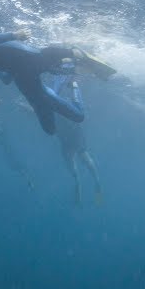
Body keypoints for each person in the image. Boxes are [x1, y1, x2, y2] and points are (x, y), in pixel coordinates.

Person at [45, 72, 103, 205]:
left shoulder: (56, 107)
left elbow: (38, 112)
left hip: (70, 139)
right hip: (70, 139)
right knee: (84, 161)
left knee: (81, 162)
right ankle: (92, 182)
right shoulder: (61, 106)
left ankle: (90, 183)